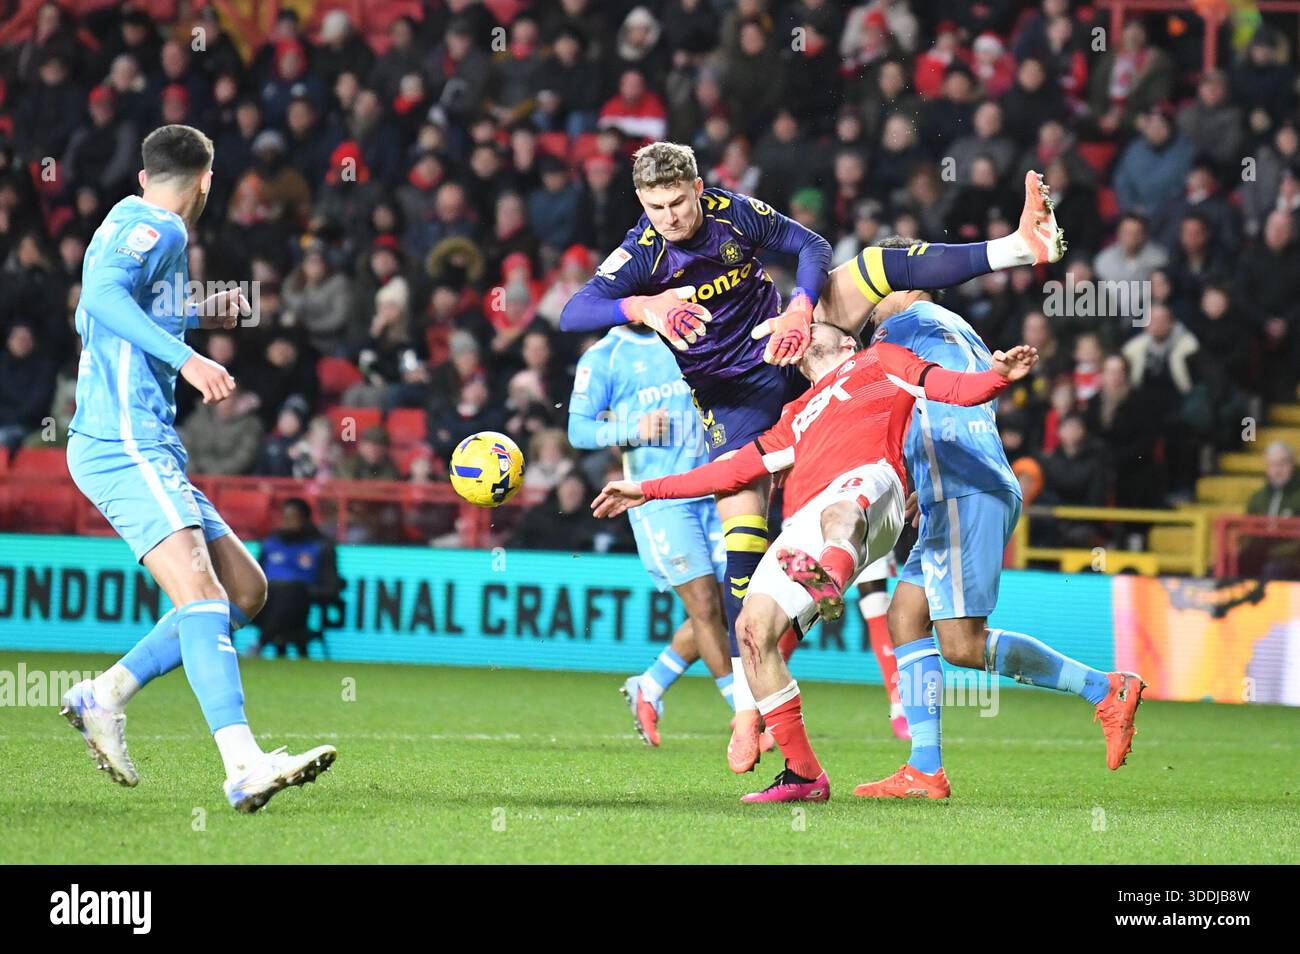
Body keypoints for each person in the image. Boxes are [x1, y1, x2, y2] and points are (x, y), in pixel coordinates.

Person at [560, 140, 1064, 773]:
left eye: (679, 200)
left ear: (696, 186)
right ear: (641, 202)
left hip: (786, 343)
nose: (671, 216)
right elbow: (571, 312)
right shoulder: (641, 255)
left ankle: (1019, 247)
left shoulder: (731, 212)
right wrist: (645, 305)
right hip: (734, 400)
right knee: (742, 549)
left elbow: (812, 248)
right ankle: (749, 712)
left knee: (875, 263)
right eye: (657, 206)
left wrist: (799, 306)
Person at [592, 322, 1042, 802]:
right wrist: (646, 489)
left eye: (814, 326)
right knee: (750, 628)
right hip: (806, 522)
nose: (801, 331)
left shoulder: (882, 359)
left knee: (841, 509)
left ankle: (830, 575)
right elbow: (732, 469)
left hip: (872, 488)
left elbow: (947, 387)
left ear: (848, 342)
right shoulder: (795, 414)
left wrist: (996, 377)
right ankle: (803, 773)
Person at [58, 125, 335, 814]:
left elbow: (117, 307)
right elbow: (99, 300)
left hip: (143, 441)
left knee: (244, 590)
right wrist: (188, 357)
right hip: (124, 441)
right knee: (203, 596)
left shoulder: (124, 218)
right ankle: (242, 764)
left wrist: (201, 311)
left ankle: (106, 694)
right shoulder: (163, 230)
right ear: (207, 180)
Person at [852, 284, 1146, 799]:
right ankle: (924, 768)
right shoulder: (960, 332)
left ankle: (1104, 687)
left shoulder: (902, 325)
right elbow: (942, 408)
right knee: (905, 616)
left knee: (963, 644)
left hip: (965, 491)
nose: (869, 302)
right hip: (959, 489)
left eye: (878, 290)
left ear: (908, 289)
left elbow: (882, 399)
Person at [568, 322, 732, 747]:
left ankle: (651, 685)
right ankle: (746, 712)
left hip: (713, 487)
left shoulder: (692, 332)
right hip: (656, 500)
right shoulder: (605, 356)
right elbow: (578, 430)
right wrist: (631, 430)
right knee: (703, 606)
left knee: (733, 605)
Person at [248, 499, 342, 658]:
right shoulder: (270, 544)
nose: (287, 522)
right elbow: (256, 578)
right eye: (284, 517)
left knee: (289, 590)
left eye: (292, 518)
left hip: (300, 607)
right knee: (274, 590)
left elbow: (330, 588)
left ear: (304, 520)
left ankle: (261, 643)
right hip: (265, 604)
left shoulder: (320, 546)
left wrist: (301, 591)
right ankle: (261, 641)